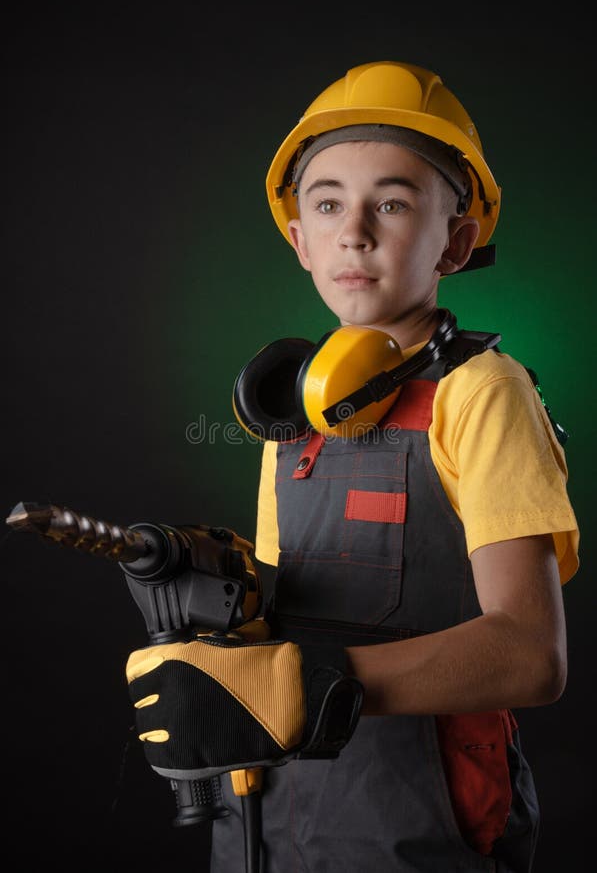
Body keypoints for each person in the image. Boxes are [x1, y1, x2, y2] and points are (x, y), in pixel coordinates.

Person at [125, 61, 579, 872]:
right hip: (267, 822)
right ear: (298, 239)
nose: (354, 231)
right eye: (327, 203)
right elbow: (280, 621)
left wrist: (307, 685)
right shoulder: (289, 408)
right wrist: (210, 600)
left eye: (393, 203)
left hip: (421, 826)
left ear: (457, 238)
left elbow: (528, 654)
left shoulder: (480, 396)